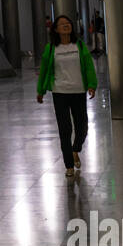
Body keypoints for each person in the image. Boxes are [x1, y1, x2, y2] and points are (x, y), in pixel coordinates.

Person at [37, 14, 97, 178]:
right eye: (62, 24)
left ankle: (75, 149)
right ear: (55, 29)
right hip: (60, 92)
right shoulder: (51, 49)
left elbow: (89, 66)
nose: (66, 26)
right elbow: (44, 71)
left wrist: (92, 84)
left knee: (82, 127)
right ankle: (68, 165)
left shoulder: (79, 45)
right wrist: (40, 90)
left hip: (78, 91)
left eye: (68, 23)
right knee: (65, 130)